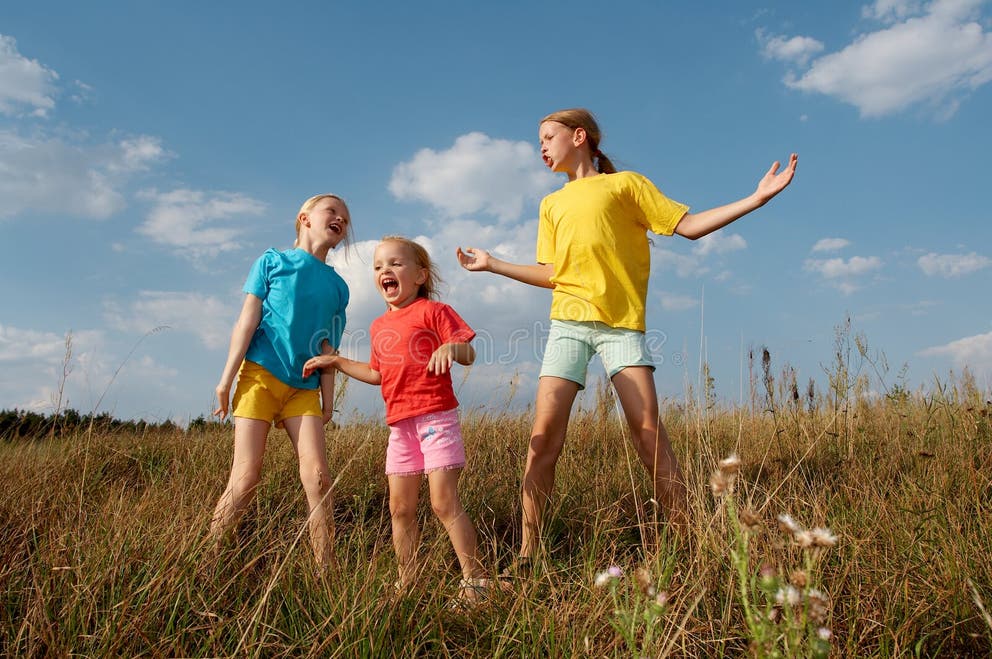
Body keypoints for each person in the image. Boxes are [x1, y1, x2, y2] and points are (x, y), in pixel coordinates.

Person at [456, 108, 798, 572]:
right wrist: (493, 264)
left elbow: (689, 226)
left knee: (648, 434)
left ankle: (688, 545)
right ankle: (528, 556)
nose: (542, 147)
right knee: (543, 438)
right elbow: (553, 274)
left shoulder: (625, 186)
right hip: (568, 325)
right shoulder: (551, 204)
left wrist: (755, 199)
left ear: (579, 136)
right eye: (539, 141)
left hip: (622, 326)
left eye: (548, 137)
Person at [303, 236, 493, 603]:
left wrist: (450, 347)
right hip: (400, 427)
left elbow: (468, 352)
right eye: (378, 266)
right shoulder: (378, 327)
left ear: (420, 275)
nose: (385, 271)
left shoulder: (434, 311)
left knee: (442, 502)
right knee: (400, 508)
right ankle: (408, 582)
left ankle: (476, 581)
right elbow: (377, 373)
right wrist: (338, 361)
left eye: (395, 263)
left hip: (436, 418)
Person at [209, 193, 351, 567]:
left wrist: (328, 402)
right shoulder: (272, 262)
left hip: (303, 390)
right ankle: (206, 559)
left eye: (345, 218)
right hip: (259, 377)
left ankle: (325, 569)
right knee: (246, 477)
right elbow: (246, 322)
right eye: (332, 211)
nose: (340, 219)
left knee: (318, 478)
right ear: (304, 218)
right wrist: (225, 381)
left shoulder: (339, 288)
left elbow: (328, 349)